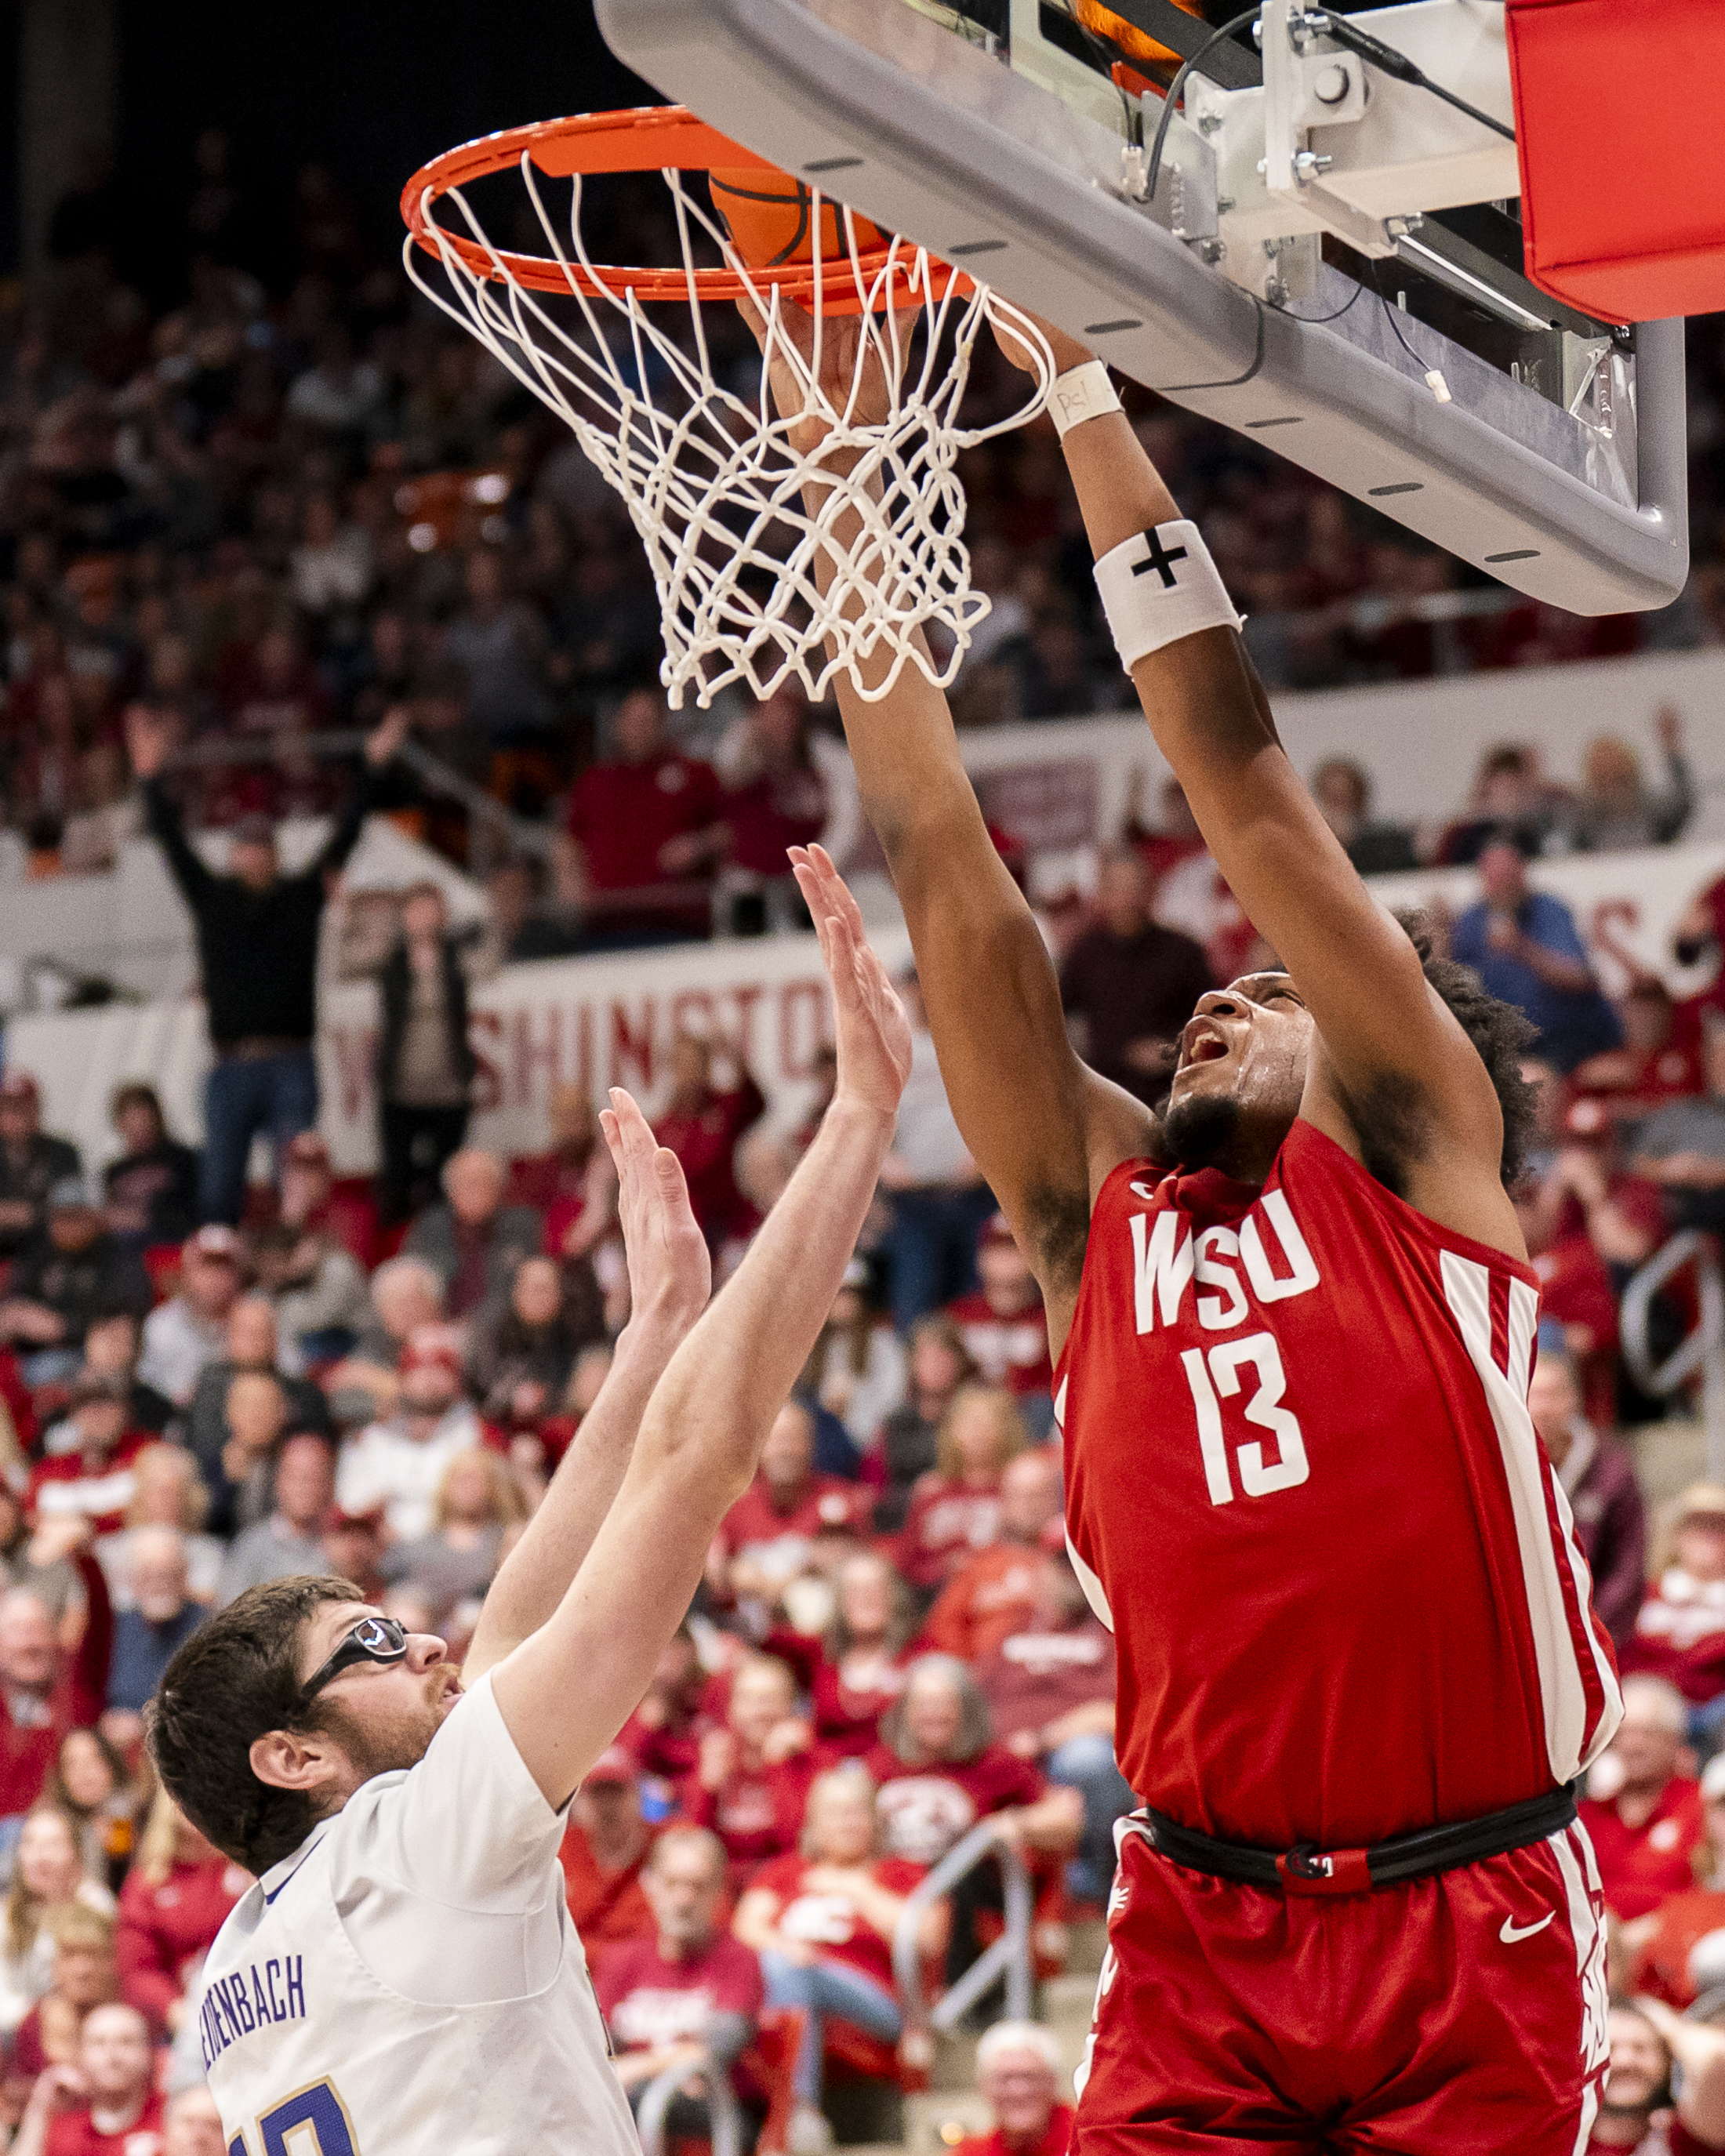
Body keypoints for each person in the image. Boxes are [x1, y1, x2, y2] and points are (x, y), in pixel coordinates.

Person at [778, 296, 1620, 2147]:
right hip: (1199, 1927)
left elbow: (1240, 784)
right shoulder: (1096, 1218)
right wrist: (843, 472)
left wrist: (1078, 387)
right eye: (1210, 997)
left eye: (1268, 992)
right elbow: (942, 857)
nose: (1218, 996)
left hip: (1469, 1904)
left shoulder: (1415, 1158)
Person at [143, 858, 911, 2153]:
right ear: (294, 1756)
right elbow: (699, 1464)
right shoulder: (417, 1854)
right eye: (369, 1644)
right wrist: (859, 1119)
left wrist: (651, 1337)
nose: (423, 1640)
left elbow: (508, 1633)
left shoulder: (242, 1962)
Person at [127, 705, 411, 1225]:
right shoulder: (211, 899)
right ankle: (222, 1262)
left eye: (263, 845)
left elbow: (345, 835)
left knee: (297, 1187)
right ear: (233, 853)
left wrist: (372, 766)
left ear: (276, 854)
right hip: (231, 1063)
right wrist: (149, 778)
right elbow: (171, 840)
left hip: (291, 1061)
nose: (255, 854)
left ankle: (294, 1261)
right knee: (219, 1187)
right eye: (246, 845)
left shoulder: (301, 898)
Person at [732, 1767, 941, 2152]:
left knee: (792, 1971)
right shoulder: (785, 1872)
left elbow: (928, 1936)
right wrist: (786, 1946)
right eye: (834, 1812)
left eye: (855, 1811)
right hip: (791, 1984)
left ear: (874, 1819)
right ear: (813, 1823)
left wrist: (856, 1888)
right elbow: (745, 1927)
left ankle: (798, 2112)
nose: (846, 1823)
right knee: (782, 1969)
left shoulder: (899, 1873)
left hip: (879, 2005)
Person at [975, 1551, 1128, 1904]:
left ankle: (1086, 1886)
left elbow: (1117, 1714)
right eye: (1060, 1567)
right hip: (1005, 1753)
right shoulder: (1011, 1631)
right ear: (1040, 1572)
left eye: (1077, 1569)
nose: (1069, 1578)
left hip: (1067, 1757)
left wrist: (1043, 1739)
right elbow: (974, 1698)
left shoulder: (1107, 1630)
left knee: (1086, 1759)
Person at [595, 1826, 764, 2135]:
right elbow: (593, 2048)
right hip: (632, 2103)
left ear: (719, 1890)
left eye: (698, 1886)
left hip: (715, 2112)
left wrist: (633, 2069)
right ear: (650, 1885)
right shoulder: (621, 1961)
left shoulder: (738, 1960)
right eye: (672, 1883)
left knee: (636, 2100)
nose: (684, 1899)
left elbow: (714, 2051)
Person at [563, 684, 727, 946]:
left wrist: (697, 845)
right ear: (619, 724)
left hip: (676, 923)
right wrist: (571, 883)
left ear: (661, 725)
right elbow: (569, 840)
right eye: (634, 720)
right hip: (606, 924)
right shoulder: (595, 781)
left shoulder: (695, 775)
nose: (640, 728)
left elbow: (730, 828)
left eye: (648, 721)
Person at [878, 976, 994, 1334]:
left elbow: (1002, 1108)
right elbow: (870, 1113)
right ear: (908, 989)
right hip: (914, 1200)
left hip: (973, 1193)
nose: (927, 991)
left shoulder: (977, 1043)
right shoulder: (892, 1047)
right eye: (918, 983)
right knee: (914, 1306)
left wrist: (985, 1158)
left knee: (979, 1305)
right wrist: (883, 1163)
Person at [1450, 839, 1622, 1075]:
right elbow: (1456, 989)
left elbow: (1582, 978)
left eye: (1508, 877)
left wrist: (1522, 949)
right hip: (1507, 1044)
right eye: (1495, 880)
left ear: (1522, 873)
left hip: (1566, 1039)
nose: (1502, 887)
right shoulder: (1471, 921)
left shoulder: (1550, 911)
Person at [1056, 845, 1212, 1105]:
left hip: (1175, 1093)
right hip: (1106, 1094)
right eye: (1118, 890)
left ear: (1152, 892)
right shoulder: (1084, 954)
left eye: (1135, 889)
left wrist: (1172, 1051)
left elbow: (1212, 1020)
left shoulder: (1184, 952)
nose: (1128, 900)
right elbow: (1061, 1021)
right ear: (1102, 895)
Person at [368, 880, 481, 1226]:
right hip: (400, 1086)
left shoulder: (456, 956)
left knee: (445, 1183)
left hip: (449, 1086)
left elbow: (491, 960)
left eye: (431, 909)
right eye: (416, 909)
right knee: (397, 1180)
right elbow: (346, 963)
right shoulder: (392, 958)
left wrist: (475, 915)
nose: (424, 918)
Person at [1527, 1329, 1647, 1649]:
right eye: (1534, 1395)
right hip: (1526, 1634)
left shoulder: (1611, 1469)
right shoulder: (1503, 1465)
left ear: (1573, 1401)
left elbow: (1628, 1567)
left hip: (1595, 1634)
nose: (1543, 1408)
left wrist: (1590, 1635)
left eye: (1553, 1395)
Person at [707, 1403, 868, 1608]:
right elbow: (714, 1574)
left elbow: (865, 1565)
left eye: (792, 1439)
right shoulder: (733, 1506)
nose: (784, 1450)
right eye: (776, 1440)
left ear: (810, 1445)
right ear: (758, 1448)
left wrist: (805, 1567)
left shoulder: (841, 1499)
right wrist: (732, 1572)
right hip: (750, 1625)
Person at [333, 1327, 485, 1543]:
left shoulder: (477, 1433)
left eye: (441, 1366)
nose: (429, 1379)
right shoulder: (371, 1439)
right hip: (382, 1551)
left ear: (458, 1378)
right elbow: (350, 1508)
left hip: (452, 1550)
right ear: (402, 1376)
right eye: (418, 1367)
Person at [114, 1794, 245, 2038]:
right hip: (181, 2022)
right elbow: (139, 1970)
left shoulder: (245, 1868)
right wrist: (178, 2013)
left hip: (246, 2003)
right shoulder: (147, 1884)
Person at [0, 1180, 154, 1385]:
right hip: (35, 1353)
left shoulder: (118, 1256)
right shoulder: (41, 1254)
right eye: (60, 1217)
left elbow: (125, 1318)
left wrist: (64, 1327)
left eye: (75, 1217)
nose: (68, 1226)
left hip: (91, 1355)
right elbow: (22, 1304)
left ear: (94, 1217)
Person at [924, 1449, 1066, 1665]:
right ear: (1004, 1502)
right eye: (1021, 1496)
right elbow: (944, 1632)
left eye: (1040, 1495)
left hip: (1063, 1674)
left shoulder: (1073, 1566)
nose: (1030, 1505)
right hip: (990, 1677)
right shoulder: (976, 1566)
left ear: (1057, 1500)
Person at [1579, 1676, 1704, 1922]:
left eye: (1648, 1733)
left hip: (1677, 1935)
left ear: (1675, 1739)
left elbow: (1712, 1892)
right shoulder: (1585, 1817)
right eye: (1626, 1733)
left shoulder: (1701, 1806)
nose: (1635, 1745)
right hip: (1597, 1936)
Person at [689, 1653, 820, 1881]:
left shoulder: (808, 1758)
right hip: (723, 1886)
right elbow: (694, 1845)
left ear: (790, 1705)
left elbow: (798, 1845)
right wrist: (708, 1790)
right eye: (748, 1699)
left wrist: (776, 1766)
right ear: (731, 1708)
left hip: (784, 1883)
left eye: (769, 1700)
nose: (759, 1711)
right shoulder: (716, 1753)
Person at [896, 1388, 1028, 1599]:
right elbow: (907, 1564)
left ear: (1005, 1431)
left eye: (985, 1424)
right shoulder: (932, 1495)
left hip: (998, 1596)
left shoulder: (1020, 1491)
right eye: (968, 1423)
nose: (977, 1433)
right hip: (933, 1599)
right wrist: (942, 1569)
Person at [0, 1806, 115, 2037]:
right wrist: (38, 2014)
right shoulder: (7, 1916)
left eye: (53, 1845)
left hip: (88, 2028)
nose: (39, 1857)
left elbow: (107, 1988)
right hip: (22, 2032)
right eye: (30, 1843)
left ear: (77, 1855)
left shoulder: (97, 1906)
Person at [379, 1447, 527, 1626]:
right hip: (420, 1618)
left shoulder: (505, 1540)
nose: (466, 1487)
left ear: (493, 1488)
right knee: (405, 1616)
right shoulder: (419, 1542)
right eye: (460, 1478)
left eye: (474, 1479)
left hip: (480, 1620)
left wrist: (528, 1472)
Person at [653, 1033, 767, 1253]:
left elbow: (756, 1103)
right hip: (685, 1233)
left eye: (695, 1064)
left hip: (730, 1228)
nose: (689, 1073)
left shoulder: (724, 1108)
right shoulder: (663, 1127)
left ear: (706, 1068)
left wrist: (733, 1057)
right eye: (682, 1065)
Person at [0, 1594, 107, 1823]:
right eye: (17, 1630)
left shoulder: (77, 1699)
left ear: (55, 1639)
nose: (29, 1642)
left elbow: (101, 1619)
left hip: (67, 1832)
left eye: (38, 1629)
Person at [7, 2000, 163, 2156]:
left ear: (148, 2054)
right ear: (81, 2056)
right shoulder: (63, 2132)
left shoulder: (168, 2117)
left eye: (126, 2042)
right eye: (99, 2043)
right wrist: (40, 2108)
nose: (112, 2055)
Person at [401, 1148, 543, 1318]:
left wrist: (473, 1325)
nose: (477, 1190)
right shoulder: (430, 1227)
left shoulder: (522, 1225)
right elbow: (411, 1279)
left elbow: (517, 1290)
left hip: (504, 1327)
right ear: (451, 1192)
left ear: (501, 1189)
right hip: (437, 1325)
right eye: (468, 1183)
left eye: (486, 1182)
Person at [1622, 1485, 1725, 1713]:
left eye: (1719, 1528)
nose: (1709, 1537)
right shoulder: (1643, 1594)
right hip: (1636, 1706)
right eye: (1698, 1526)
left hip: (1710, 1715)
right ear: (1678, 1536)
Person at [102, 1530, 205, 1748]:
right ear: (131, 1580)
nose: (159, 1583)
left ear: (184, 1575)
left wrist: (143, 1725)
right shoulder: (114, 1627)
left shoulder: (209, 1628)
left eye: (167, 1573)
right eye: (148, 1574)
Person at [943, 1215, 1055, 1416]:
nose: (1005, 1260)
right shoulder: (959, 1315)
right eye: (997, 1250)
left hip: (1030, 1420)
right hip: (968, 1417)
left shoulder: (1049, 1321)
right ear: (981, 1257)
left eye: (1014, 1251)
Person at [1588, 1998, 1725, 2154]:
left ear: (1667, 2060)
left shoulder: (1687, 2140)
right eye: (1608, 2049)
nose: (1625, 2061)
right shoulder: (1566, 2138)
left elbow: (1718, 2059)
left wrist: (1674, 2029)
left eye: (1640, 2048)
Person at [559, 1745, 663, 1950]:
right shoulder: (563, 1851)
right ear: (579, 1801)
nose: (608, 1807)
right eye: (597, 1794)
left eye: (616, 1793)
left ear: (637, 1795)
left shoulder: (664, 1844)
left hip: (646, 1964)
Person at [215, 1432, 335, 1606]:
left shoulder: (345, 1545)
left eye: (314, 1478)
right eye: (296, 1477)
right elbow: (230, 1612)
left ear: (330, 1484)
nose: (304, 1488)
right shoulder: (251, 1547)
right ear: (279, 1481)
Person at [136, 1226, 245, 1409]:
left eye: (224, 1268)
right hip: (176, 1416)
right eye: (206, 1268)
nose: (215, 1278)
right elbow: (149, 1387)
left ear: (239, 1275)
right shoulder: (162, 1324)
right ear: (186, 1273)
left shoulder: (256, 1320)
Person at [949, 2022, 1076, 2156]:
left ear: (1053, 2081)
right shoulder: (970, 2152)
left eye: (1029, 2077)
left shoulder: (1085, 2137)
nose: (1018, 2091)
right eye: (1005, 2079)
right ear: (984, 2086)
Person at [100, 1084, 199, 1255]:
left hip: (171, 1247)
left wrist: (143, 1218)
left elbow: (190, 1215)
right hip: (125, 1252)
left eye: (145, 1120)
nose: (141, 1129)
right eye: (133, 1122)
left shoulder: (183, 1161)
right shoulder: (114, 1172)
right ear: (120, 1125)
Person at [0, 1073, 82, 1262]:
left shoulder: (61, 1152)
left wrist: (30, 1212)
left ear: (36, 1110)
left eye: (21, 1109)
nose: (14, 1117)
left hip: (46, 1249)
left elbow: (70, 1208)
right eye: (8, 1109)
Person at [1309, 757, 1418, 877]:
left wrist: (1350, 841)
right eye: (1333, 799)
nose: (1339, 808)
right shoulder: (1310, 846)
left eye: (1344, 797)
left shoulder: (1389, 842)